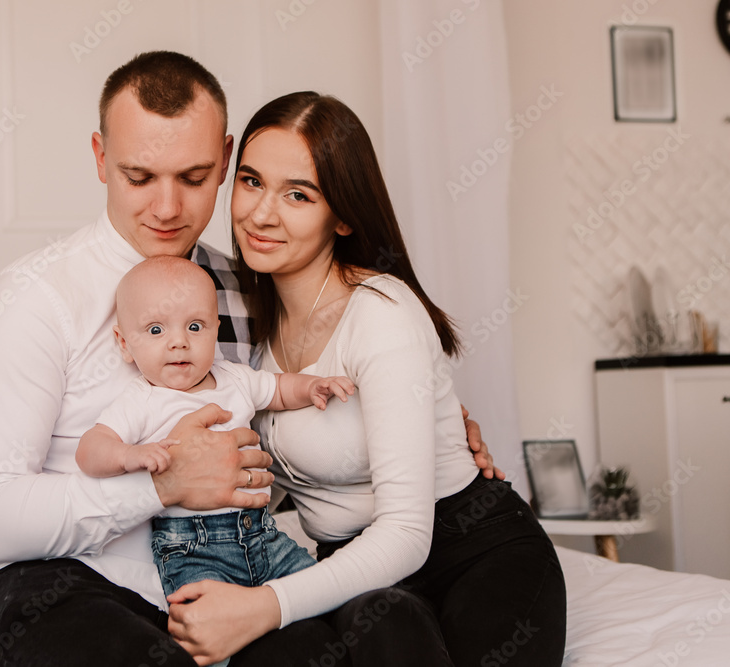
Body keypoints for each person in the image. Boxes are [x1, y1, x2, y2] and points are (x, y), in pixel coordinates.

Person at [0, 51, 498, 667]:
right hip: (49, 582)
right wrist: (162, 485)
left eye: (193, 177)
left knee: (383, 630)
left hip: (225, 582)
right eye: (139, 177)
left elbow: (272, 450)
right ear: (102, 158)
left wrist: (434, 430)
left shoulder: (241, 290)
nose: (166, 208)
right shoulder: (32, 300)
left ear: (225, 162)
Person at [163, 91, 567, 666]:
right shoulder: (239, 328)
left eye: (298, 194)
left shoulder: (380, 311)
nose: (260, 213)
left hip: (471, 551)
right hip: (360, 573)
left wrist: (263, 605)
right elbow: (277, 476)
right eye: (251, 182)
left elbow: (406, 532)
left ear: (344, 215)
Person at [77, 256, 352, 606]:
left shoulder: (234, 378)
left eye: (194, 326)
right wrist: (129, 455)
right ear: (124, 343)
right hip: (192, 548)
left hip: (264, 535)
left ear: (215, 329)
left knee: (323, 597)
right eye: (156, 330)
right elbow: (90, 450)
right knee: (205, 621)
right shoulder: (143, 399)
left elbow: (278, 388)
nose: (179, 342)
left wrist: (312, 387)